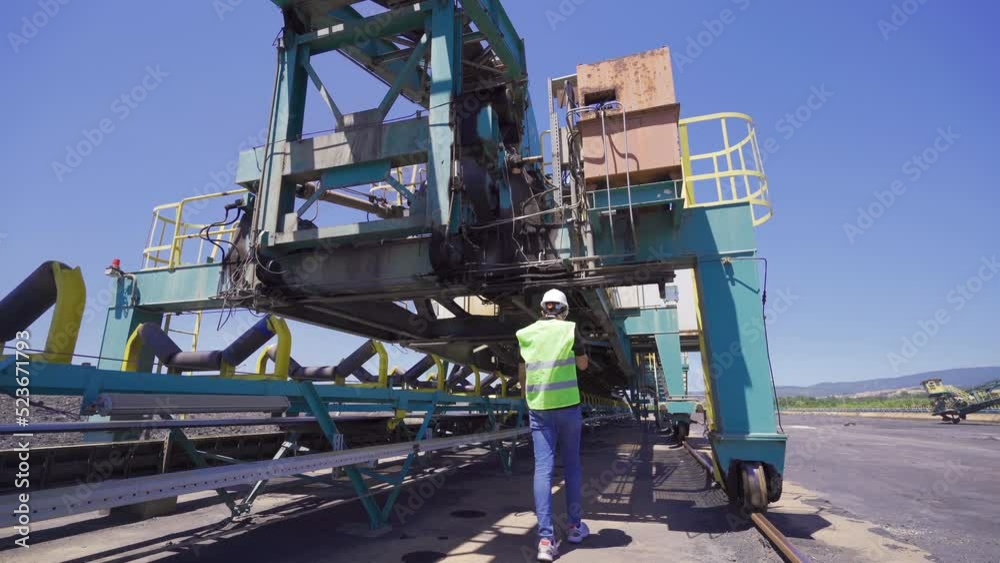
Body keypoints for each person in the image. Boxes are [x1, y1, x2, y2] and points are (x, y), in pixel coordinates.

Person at [516, 288, 590, 562]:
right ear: (564, 310)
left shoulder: (526, 334)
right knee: (572, 466)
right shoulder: (570, 330)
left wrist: (527, 398)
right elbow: (583, 365)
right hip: (568, 407)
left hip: (539, 409)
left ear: (542, 309)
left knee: (543, 470)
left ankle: (546, 541)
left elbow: (522, 372)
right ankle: (575, 527)